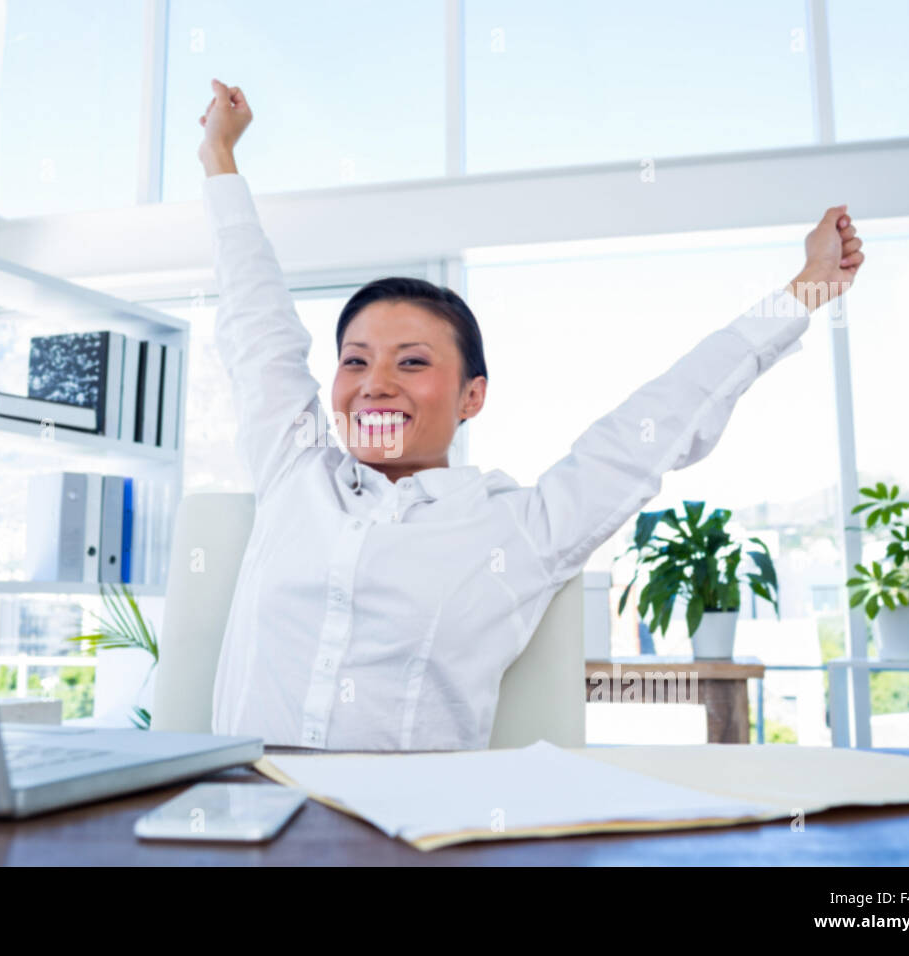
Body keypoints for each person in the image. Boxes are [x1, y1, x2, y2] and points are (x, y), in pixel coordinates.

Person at [195, 78, 865, 751]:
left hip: (410, 838)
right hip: (246, 820)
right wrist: (220, 158)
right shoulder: (295, 472)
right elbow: (258, 324)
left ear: (472, 397)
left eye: (413, 362)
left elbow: (656, 422)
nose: (375, 385)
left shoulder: (519, 528)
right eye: (356, 361)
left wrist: (804, 292)